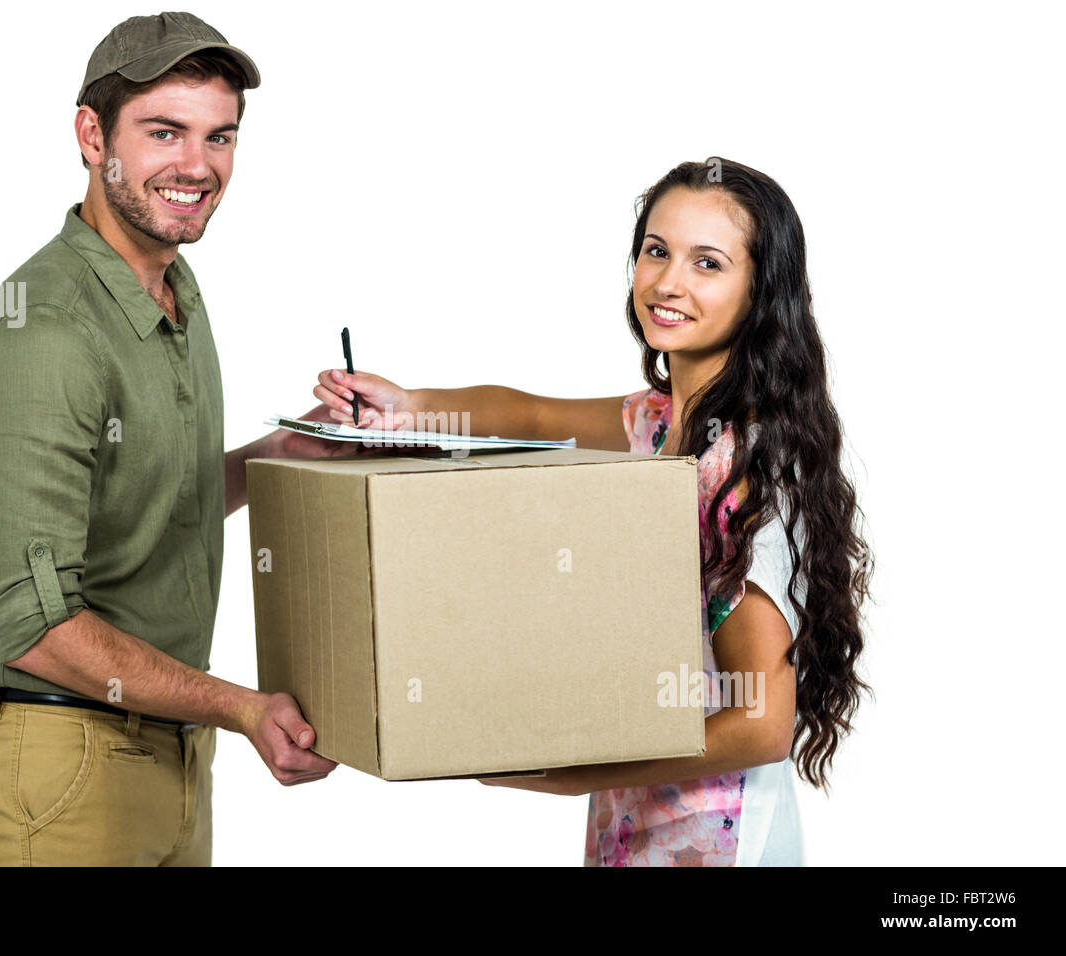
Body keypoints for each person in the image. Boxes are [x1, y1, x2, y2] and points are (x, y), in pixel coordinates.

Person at [312, 157, 874, 866]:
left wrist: (562, 775)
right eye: (656, 250)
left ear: (761, 291)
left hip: (721, 838)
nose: (668, 282)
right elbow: (533, 412)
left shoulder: (747, 471)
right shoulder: (662, 424)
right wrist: (413, 407)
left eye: (708, 263)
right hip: (634, 825)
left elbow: (762, 724)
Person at [0, 12, 349, 867]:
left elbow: (150, 501)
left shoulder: (173, 291)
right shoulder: (46, 328)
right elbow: (32, 625)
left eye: (220, 137)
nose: (197, 167)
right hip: (62, 767)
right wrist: (241, 706)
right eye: (164, 132)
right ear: (93, 136)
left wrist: (284, 453)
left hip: (170, 755)